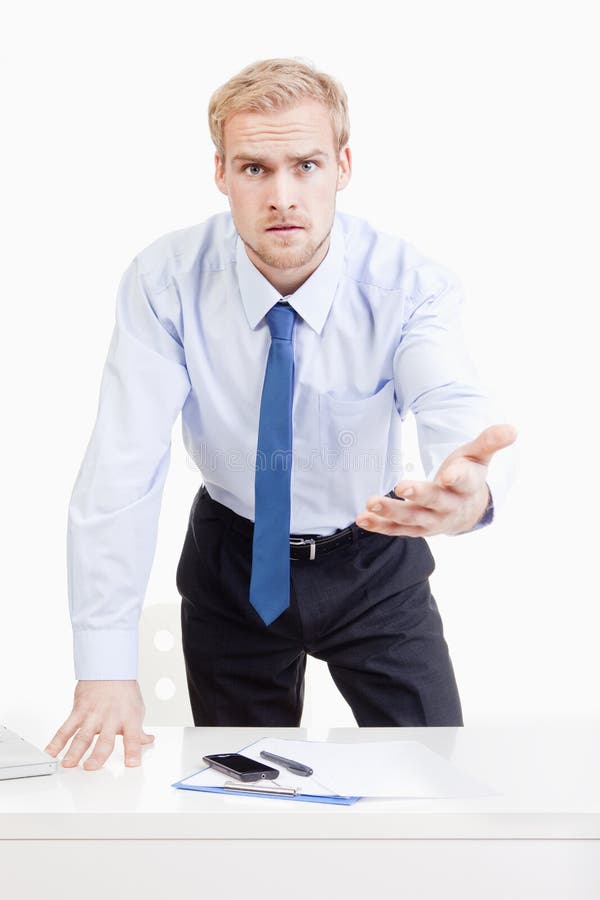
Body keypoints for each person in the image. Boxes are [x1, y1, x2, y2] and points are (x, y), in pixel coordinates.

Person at [45, 57, 517, 772]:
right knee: (246, 803)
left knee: (433, 784)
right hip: (236, 562)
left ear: (343, 165)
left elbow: (451, 401)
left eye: (306, 164)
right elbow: (124, 466)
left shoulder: (407, 284)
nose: (283, 195)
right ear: (221, 174)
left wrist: (470, 495)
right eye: (255, 169)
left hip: (370, 553)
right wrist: (105, 668)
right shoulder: (164, 282)